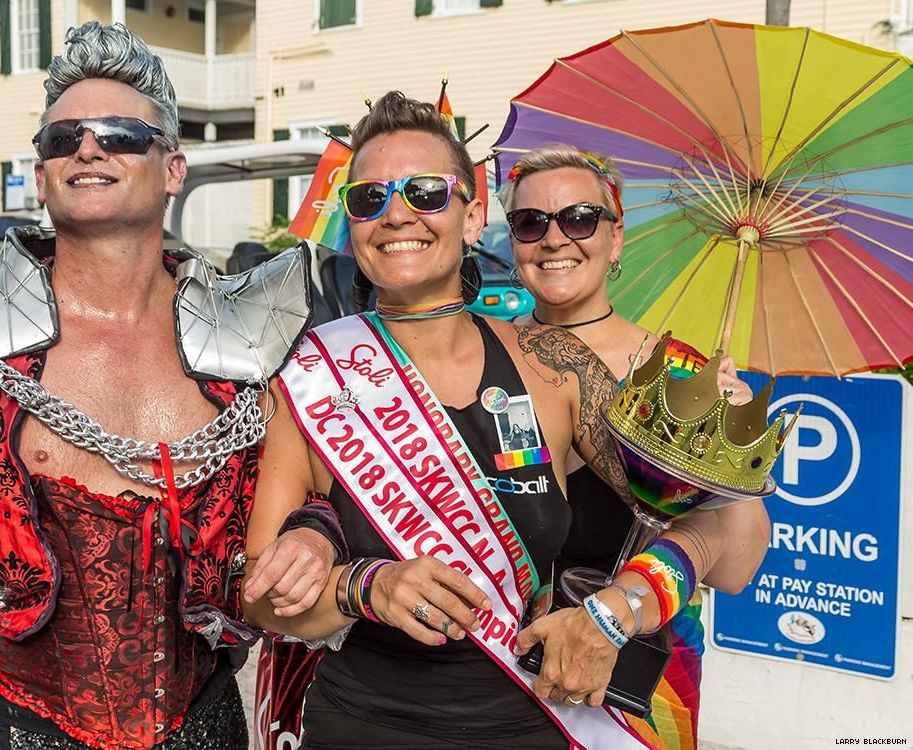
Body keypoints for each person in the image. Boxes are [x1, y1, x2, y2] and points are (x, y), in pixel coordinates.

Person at [0, 22, 326, 750]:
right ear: (42, 173)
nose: (88, 149)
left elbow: (317, 495)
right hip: (22, 726)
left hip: (203, 722)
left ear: (173, 169)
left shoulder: (250, 340)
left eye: (120, 135)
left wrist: (312, 534)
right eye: (63, 138)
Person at [242, 92, 750, 750]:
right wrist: (363, 586)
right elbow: (258, 595)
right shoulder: (308, 376)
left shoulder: (552, 367)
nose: (396, 214)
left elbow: (708, 523)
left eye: (426, 192)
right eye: (368, 198)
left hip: (533, 717)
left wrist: (618, 608)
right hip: (360, 723)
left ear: (473, 215)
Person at [501, 144, 772, 748]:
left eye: (579, 218)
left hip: (639, 683)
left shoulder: (683, 375)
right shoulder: (482, 355)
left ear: (616, 238)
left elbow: (736, 569)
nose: (554, 238)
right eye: (530, 221)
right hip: (503, 659)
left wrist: (726, 438)